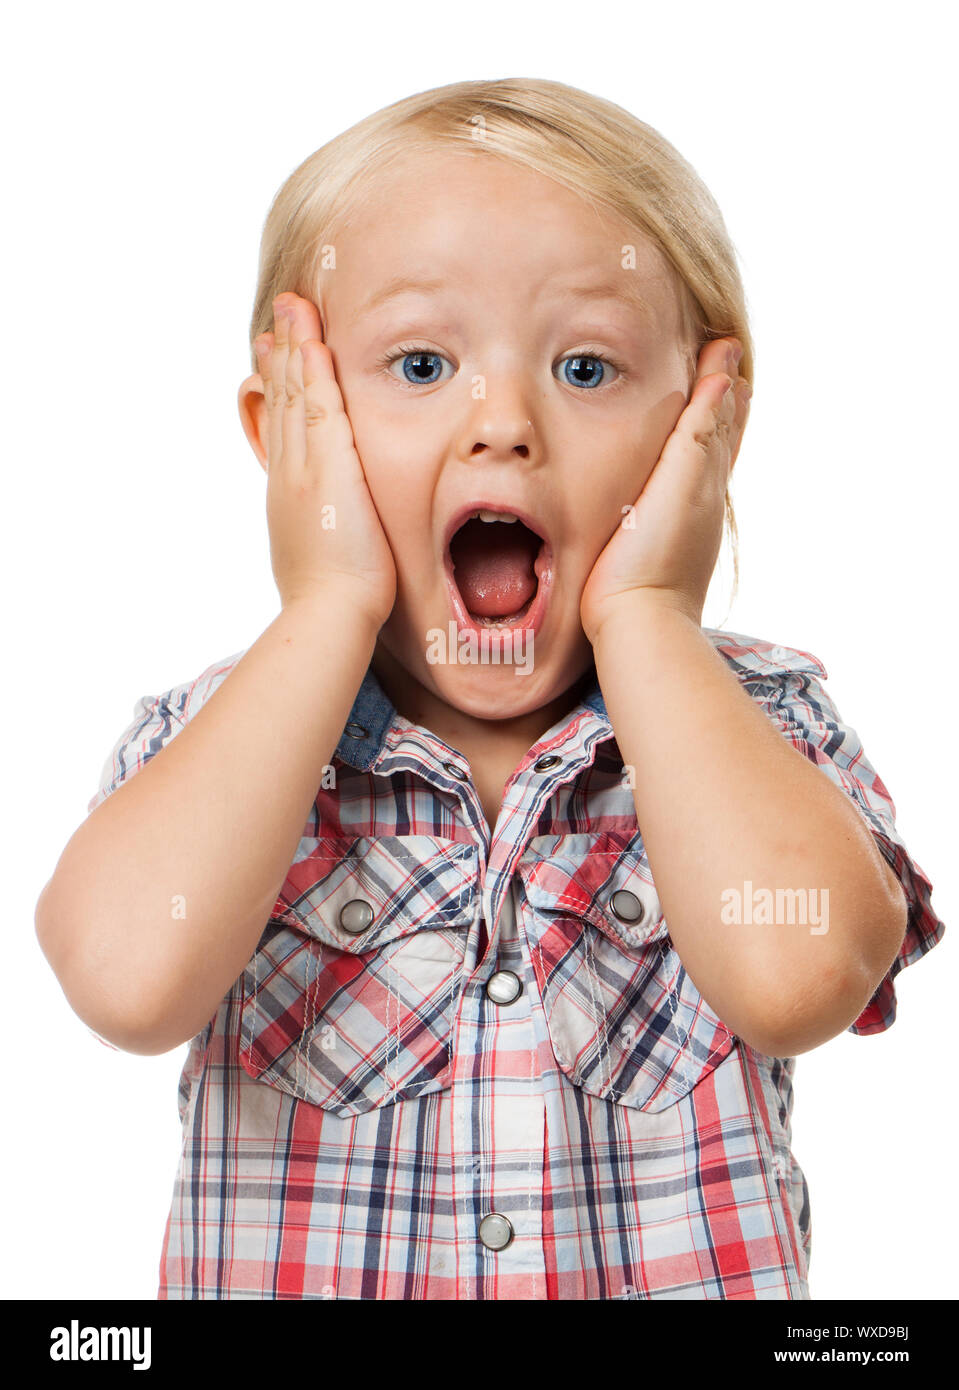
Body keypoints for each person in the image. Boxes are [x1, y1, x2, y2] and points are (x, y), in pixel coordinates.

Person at [34, 77, 944, 1300]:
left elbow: (797, 979)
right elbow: (126, 980)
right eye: (420, 363)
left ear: (699, 437)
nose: (502, 423)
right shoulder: (216, 739)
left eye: (584, 366)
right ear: (290, 431)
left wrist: (645, 616)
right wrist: (322, 607)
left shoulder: (763, 724)